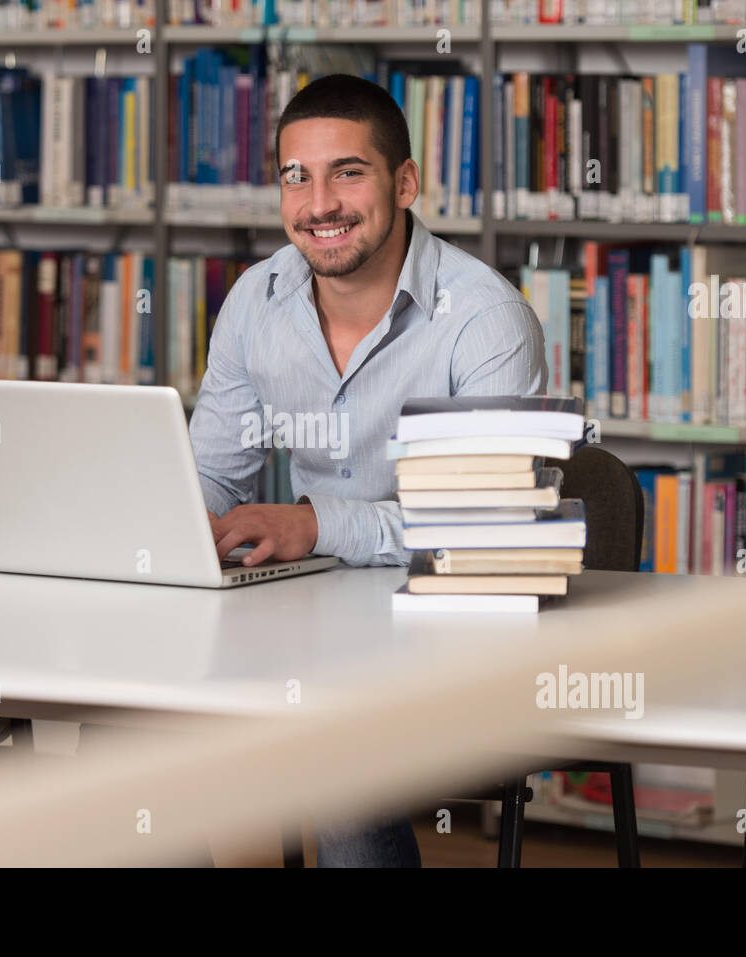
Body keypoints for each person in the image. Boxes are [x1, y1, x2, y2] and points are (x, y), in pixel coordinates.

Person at [188, 73, 547, 866]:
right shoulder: (256, 302)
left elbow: (484, 532)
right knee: (132, 745)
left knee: (333, 760)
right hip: (315, 627)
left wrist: (316, 523)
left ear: (405, 182)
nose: (320, 203)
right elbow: (212, 480)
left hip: (456, 635)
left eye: (348, 172)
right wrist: (166, 522)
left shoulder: (487, 321)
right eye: (296, 176)